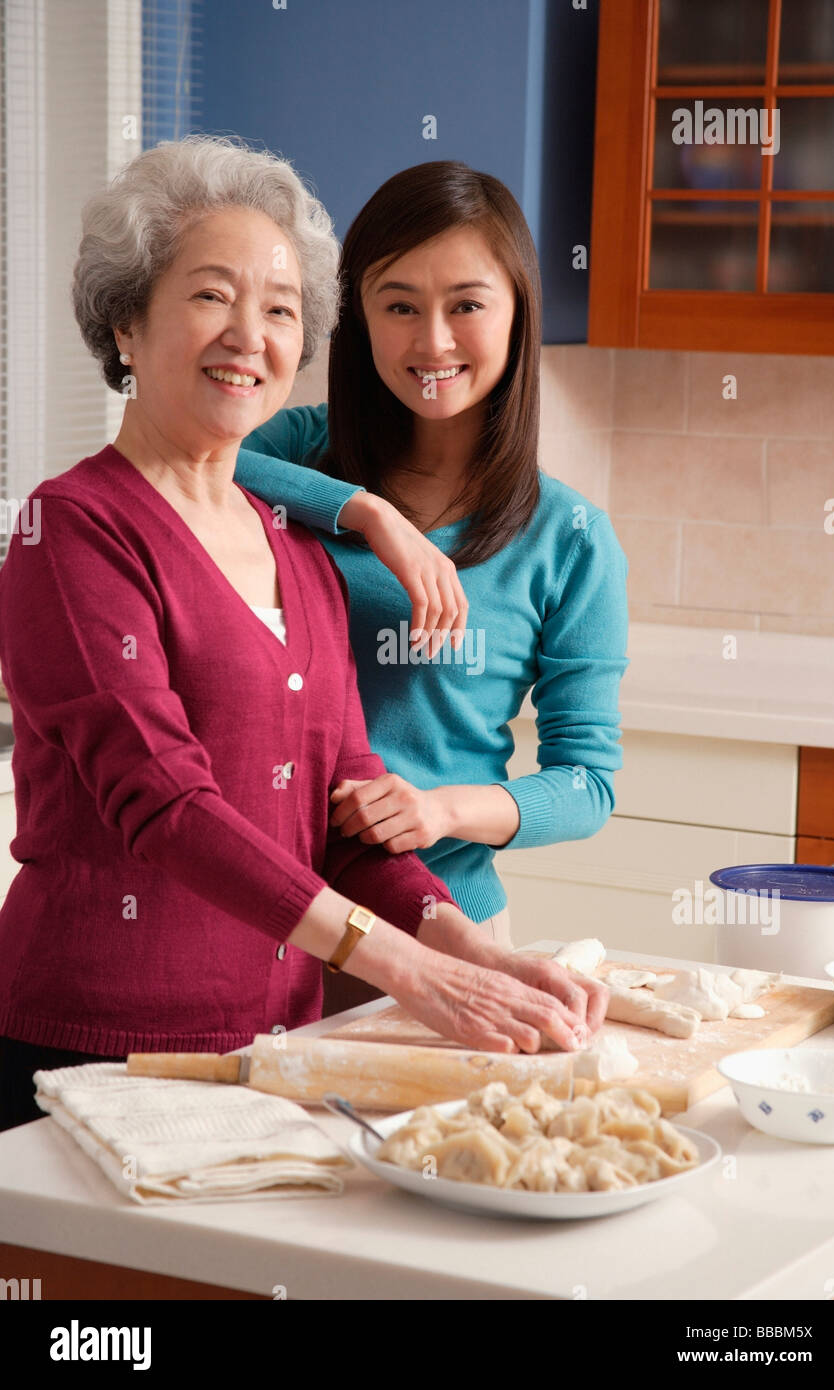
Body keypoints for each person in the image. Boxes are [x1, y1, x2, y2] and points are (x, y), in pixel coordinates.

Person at [0, 136, 606, 1131]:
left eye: (280, 309)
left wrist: (474, 953)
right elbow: (163, 802)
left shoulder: (297, 552)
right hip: (99, 1050)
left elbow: (342, 818)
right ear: (125, 321)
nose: (250, 335)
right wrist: (402, 967)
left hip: (275, 1046)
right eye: (210, 295)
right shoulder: (73, 530)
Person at [235, 160, 630, 956]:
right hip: (270, 914)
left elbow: (588, 784)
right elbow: (195, 460)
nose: (434, 341)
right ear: (359, 317)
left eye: (468, 305)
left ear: (519, 311)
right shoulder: (298, 454)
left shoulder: (572, 538)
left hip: (443, 919)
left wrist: (443, 809)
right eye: (400, 306)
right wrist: (368, 512)